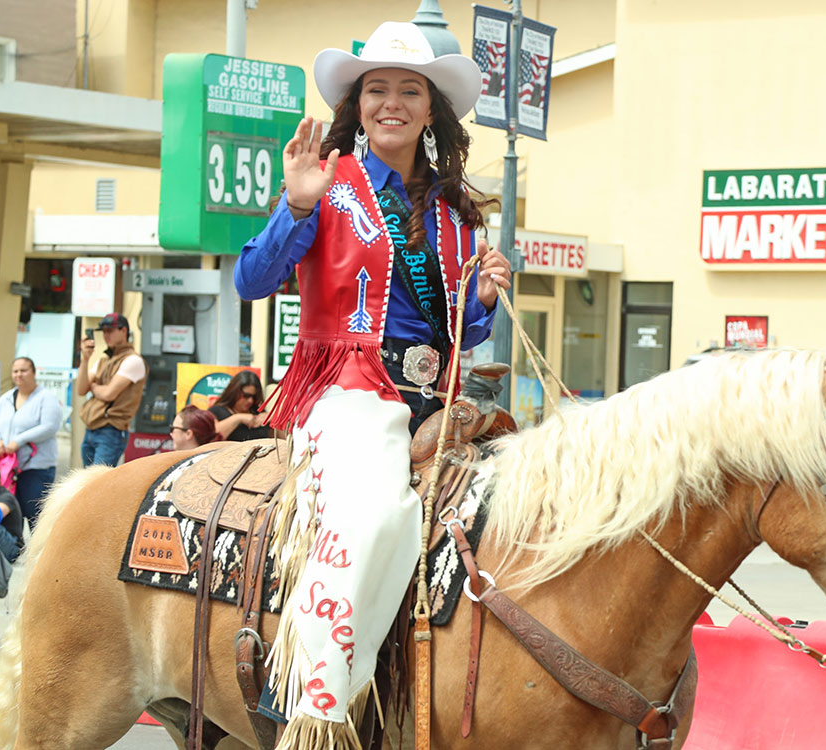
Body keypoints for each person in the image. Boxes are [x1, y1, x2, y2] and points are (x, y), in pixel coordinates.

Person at [233, 20, 511, 745]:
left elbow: (455, 333)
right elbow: (252, 279)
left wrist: (479, 304)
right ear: (357, 106)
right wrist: (294, 206)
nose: (392, 102)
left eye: (409, 90)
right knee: (379, 515)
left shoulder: (454, 216)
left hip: (435, 397)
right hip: (349, 387)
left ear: (432, 110)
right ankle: (311, 706)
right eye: (376, 90)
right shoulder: (328, 185)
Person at [0, 356, 62, 528]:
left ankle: (39, 554)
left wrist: (18, 441)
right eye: (15, 371)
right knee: (10, 516)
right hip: (8, 469)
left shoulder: (46, 397)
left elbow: (50, 426)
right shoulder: (6, 398)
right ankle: (13, 552)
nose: (19, 374)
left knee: (36, 518)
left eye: (24, 370)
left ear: (34, 373)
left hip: (36, 468)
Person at [77, 313, 147, 468]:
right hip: (92, 429)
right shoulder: (104, 360)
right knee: (87, 484)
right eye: (104, 331)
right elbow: (81, 389)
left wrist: (94, 386)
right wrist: (85, 359)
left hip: (111, 430)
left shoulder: (133, 360)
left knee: (97, 484)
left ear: (123, 331)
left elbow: (109, 394)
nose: (106, 335)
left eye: (110, 330)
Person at [207, 371, 271, 441]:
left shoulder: (258, 413)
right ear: (234, 391)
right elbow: (212, 437)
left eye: (254, 397)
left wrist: (273, 418)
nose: (250, 401)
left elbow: (281, 441)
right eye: (246, 396)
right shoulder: (216, 411)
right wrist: (238, 418)